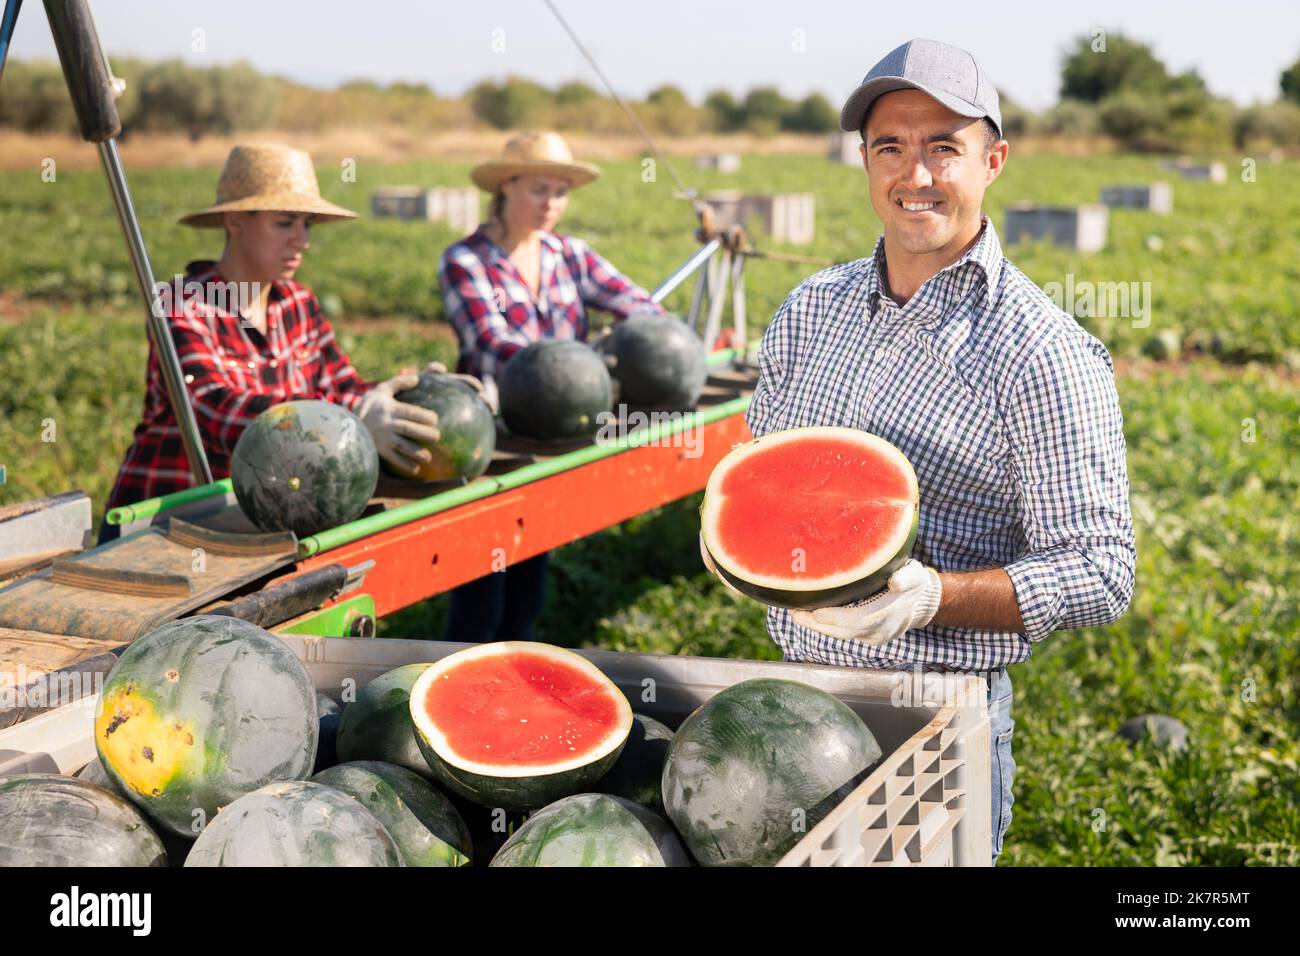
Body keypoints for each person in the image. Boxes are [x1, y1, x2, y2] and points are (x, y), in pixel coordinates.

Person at [702, 39, 1136, 864]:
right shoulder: (810, 308)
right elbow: (765, 467)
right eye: (891, 147)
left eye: (945, 147)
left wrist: (932, 595)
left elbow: (1102, 570)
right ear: (864, 161)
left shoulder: (1042, 352)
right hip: (790, 709)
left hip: (935, 724)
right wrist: (734, 536)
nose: (917, 175)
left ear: (993, 160)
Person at [103, 143, 445, 540]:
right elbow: (211, 409)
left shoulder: (298, 303)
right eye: (285, 223)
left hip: (266, 515)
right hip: (169, 520)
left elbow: (344, 387)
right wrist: (349, 415)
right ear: (235, 220)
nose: (302, 240)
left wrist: (416, 393)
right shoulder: (183, 303)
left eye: (307, 225)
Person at [438, 130, 664, 642]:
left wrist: (630, 341)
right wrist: (588, 364)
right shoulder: (466, 260)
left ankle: (514, 673)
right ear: (506, 187)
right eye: (539, 189)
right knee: (480, 590)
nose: (551, 204)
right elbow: (495, 346)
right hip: (493, 437)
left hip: (559, 434)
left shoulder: (570, 255)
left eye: (561, 191)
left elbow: (643, 307)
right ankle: (461, 678)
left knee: (530, 572)